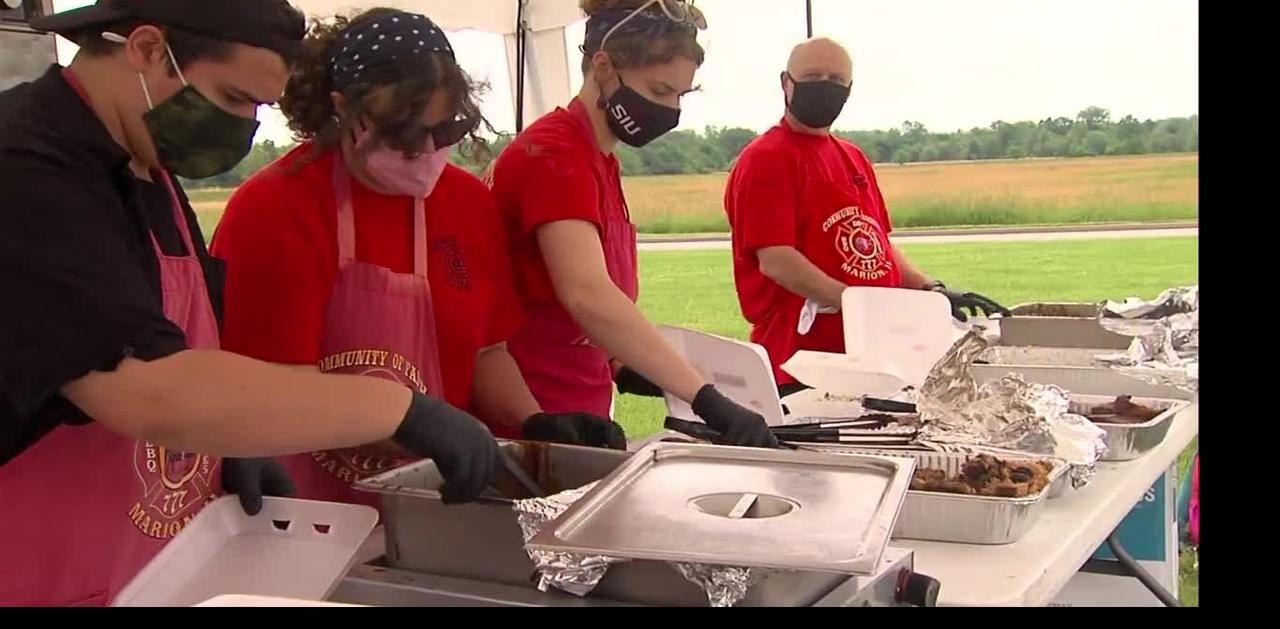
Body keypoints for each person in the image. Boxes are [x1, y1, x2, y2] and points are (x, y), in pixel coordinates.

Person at [0, 0, 498, 607]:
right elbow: (141, 387)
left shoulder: (141, 164)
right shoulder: (26, 167)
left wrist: (229, 448)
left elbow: (183, 344)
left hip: (122, 559)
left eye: (258, 108)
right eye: (235, 99)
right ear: (149, 49)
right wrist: (401, 411)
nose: (244, 128)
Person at [210, 8, 626, 507]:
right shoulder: (275, 209)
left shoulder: (467, 205)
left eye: (445, 130)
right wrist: (413, 423)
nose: (426, 149)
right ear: (344, 109)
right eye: (406, 133)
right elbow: (277, 392)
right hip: (310, 503)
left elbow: (485, 351)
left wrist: (530, 420)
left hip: (431, 494)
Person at [488, 0, 776, 448]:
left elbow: (558, 299)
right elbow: (588, 295)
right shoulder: (554, 156)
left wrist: (624, 365)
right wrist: (705, 397)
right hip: (534, 417)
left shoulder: (599, 159)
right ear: (603, 66)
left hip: (580, 406)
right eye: (660, 90)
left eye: (682, 95)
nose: (671, 108)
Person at [725, 37, 1009, 393]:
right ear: (786, 82)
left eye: (836, 80)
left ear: (849, 89)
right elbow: (777, 261)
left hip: (878, 355)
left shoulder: (851, 156)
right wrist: (861, 306)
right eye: (813, 76)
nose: (825, 87)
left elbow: (877, 243)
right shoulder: (767, 158)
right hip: (805, 361)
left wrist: (930, 290)